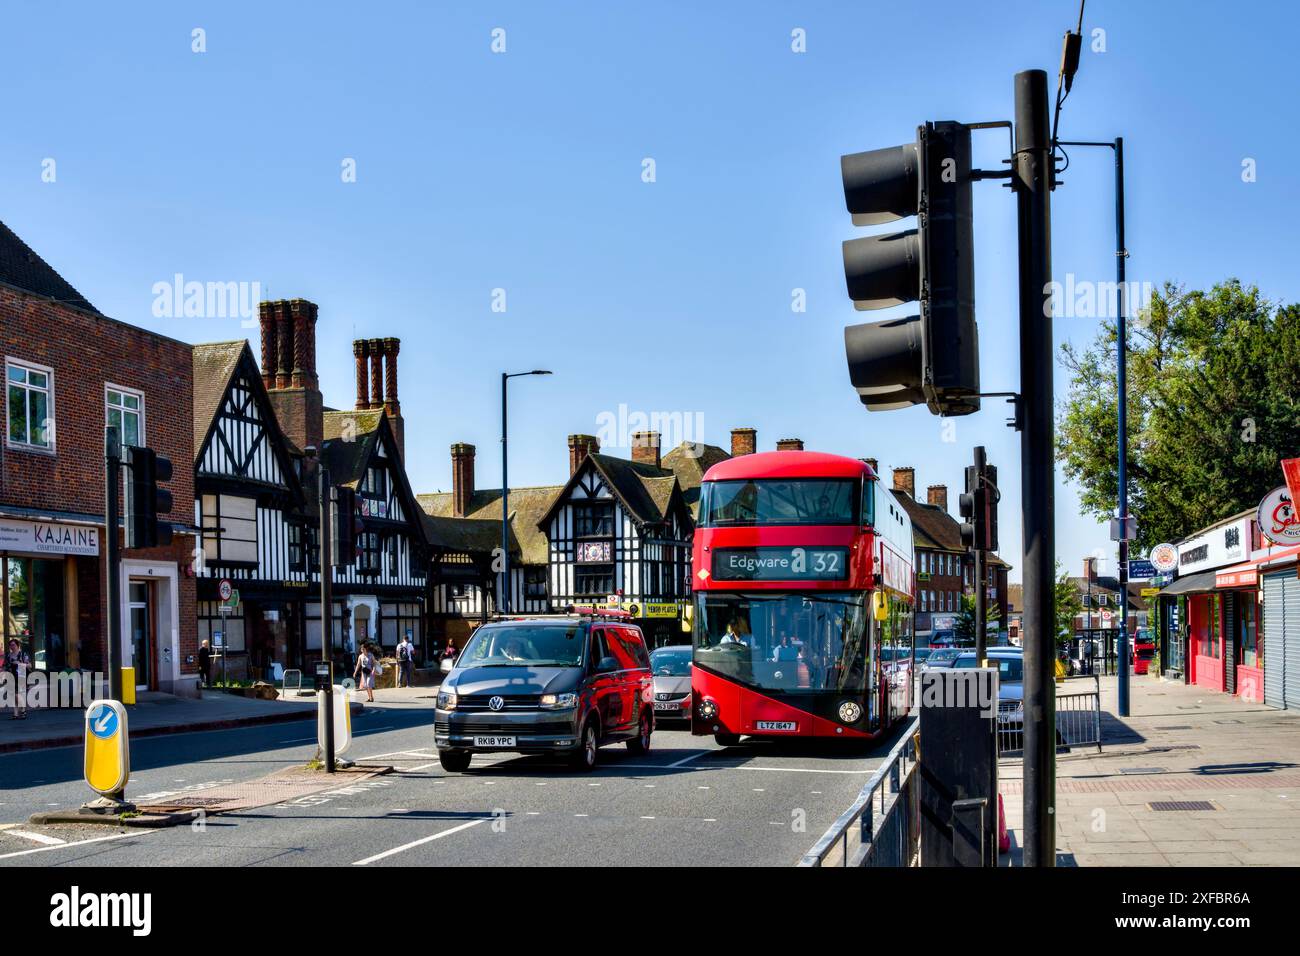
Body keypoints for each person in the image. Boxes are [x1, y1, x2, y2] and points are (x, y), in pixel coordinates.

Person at [6, 639, 31, 719]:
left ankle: (23, 710)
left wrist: (19, 663)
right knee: (13, 695)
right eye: (10, 645)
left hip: (21, 677)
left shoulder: (23, 654)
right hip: (11, 677)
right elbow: (6, 666)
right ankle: (15, 713)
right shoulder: (9, 655)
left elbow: (29, 665)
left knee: (18, 694)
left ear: (18, 645)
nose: (12, 647)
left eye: (13, 645)